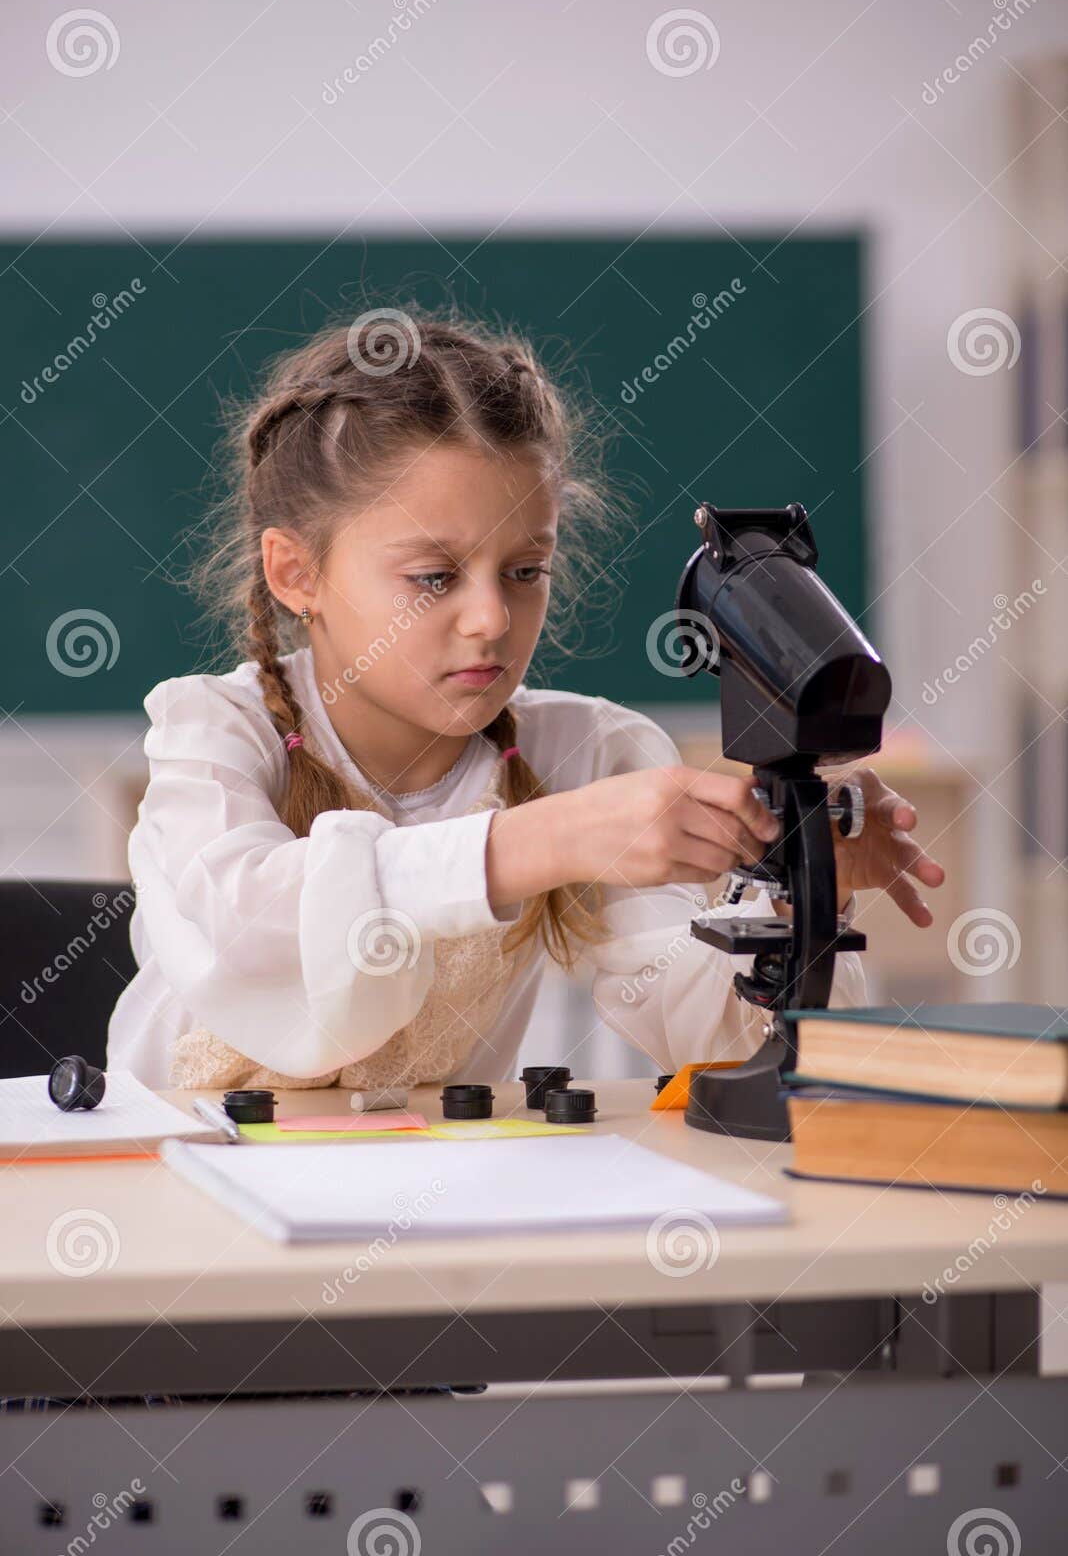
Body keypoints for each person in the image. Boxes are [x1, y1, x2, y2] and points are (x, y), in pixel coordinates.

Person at [106, 306, 945, 1092]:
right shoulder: (209, 731)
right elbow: (243, 930)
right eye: (433, 577)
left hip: (415, 1200)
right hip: (178, 1189)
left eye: (525, 571)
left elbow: (725, 1048)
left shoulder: (587, 753)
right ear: (297, 574)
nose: (491, 618)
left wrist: (799, 892)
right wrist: (538, 842)